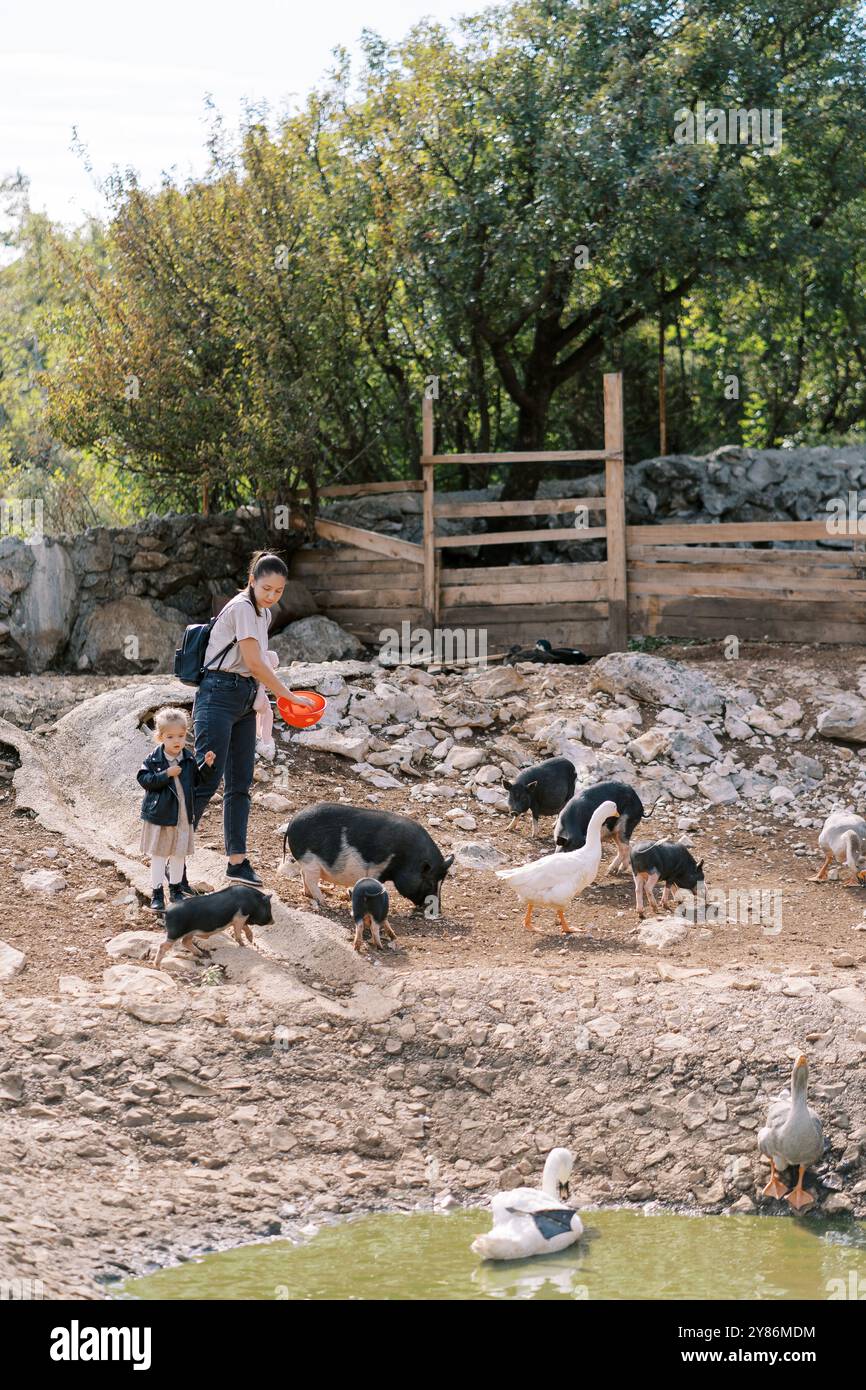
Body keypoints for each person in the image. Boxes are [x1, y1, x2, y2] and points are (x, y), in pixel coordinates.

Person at [192, 551, 314, 886]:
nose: (272, 595)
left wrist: (265, 699)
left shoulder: (263, 613)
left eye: (278, 591)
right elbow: (254, 662)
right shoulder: (244, 607)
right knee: (205, 778)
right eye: (267, 588)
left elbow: (256, 666)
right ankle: (172, 863)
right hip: (217, 695)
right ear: (251, 581)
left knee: (240, 784)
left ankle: (237, 863)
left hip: (244, 698)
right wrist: (288, 695)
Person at [137, 706, 215, 912]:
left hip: (182, 818)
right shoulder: (154, 759)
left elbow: (196, 782)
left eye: (180, 735)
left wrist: (206, 766)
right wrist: (166, 774)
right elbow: (144, 779)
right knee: (159, 855)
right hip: (162, 817)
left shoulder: (188, 758)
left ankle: (176, 890)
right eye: (170, 736)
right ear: (161, 737)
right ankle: (156, 892)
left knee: (179, 855)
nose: (176, 741)